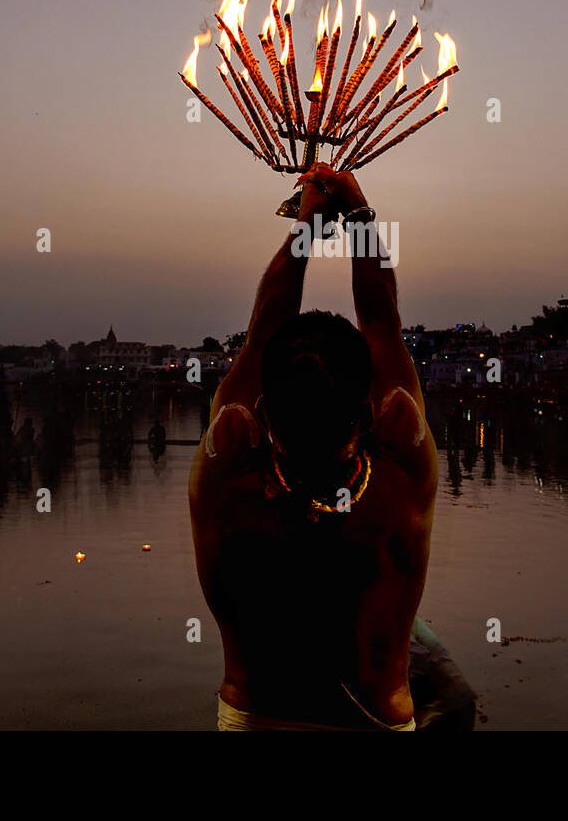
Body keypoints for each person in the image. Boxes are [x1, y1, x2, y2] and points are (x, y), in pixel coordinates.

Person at [189, 164, 439, 731]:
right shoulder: (401, 463)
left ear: (262, 414)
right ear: (371, 412)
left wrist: (307, 226)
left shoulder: (227, 467)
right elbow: (382, 322)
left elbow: (262, 329)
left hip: (258, 719)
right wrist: (356, 214)